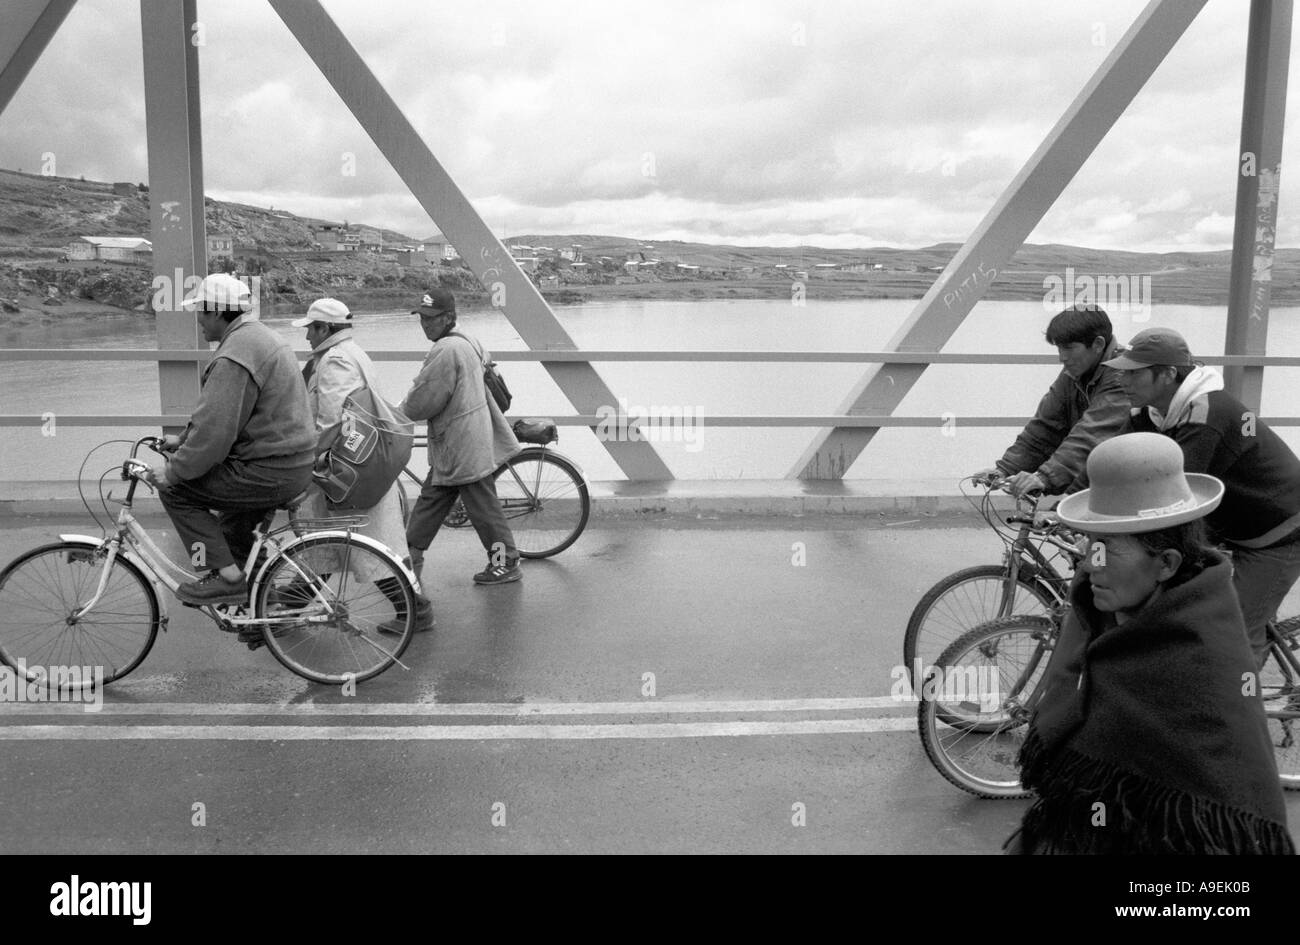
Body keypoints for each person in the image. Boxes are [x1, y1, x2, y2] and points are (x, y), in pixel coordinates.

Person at [1007, 432, 1292, 855]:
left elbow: (1226, 810)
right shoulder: (1094, 613)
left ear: (1166, 564)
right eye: (1090, 543)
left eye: (1108, 548)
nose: (1090, 564)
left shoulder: (1202, 655)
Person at [1103, 327, 1300, 666]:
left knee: (1234, 632)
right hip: (1234, 522)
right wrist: (1063, 500)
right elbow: (1111, 461)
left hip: (1278, 530)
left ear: (1166, 374)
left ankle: (1239, 713)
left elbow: (1175, 492)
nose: (1123, 380)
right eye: (1122, 371)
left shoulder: (1207, 414)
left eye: (1133, 373)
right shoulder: (1149, 414)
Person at [148, 273, 316, 605]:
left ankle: (227, 580)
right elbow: (231, 415)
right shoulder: (258, 337)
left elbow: (215, 432)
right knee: (233, 534)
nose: (198, 319)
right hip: (290, 463)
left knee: (175, 490)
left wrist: (173, 469)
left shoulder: (233, 356)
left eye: (201, 311)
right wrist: (184, 440)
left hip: (268, 470)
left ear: (216, 311)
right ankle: (260, 609)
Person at [293, 298, 434, 632]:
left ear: (325, 328)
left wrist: (309, 460)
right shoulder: (353, 352)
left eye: (311, 329)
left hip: (347, 471)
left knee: (364, 547)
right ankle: (285, 604)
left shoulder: (335, 360)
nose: (307, 336)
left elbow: (331, 420)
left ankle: (417, 610)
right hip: (365, 463)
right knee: (341, 542)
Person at [400, 289, 523, 585]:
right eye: (423, 318)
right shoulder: (468, 340)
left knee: (483, 510)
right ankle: (407, 560)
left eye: (432, 318)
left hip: (460, 444)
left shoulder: (445, 350)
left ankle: (505, 562)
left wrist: (398, 412)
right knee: (432, 501)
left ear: (449, 318)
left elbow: (424, 401)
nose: (426, 325)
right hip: (466, 438)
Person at [974, 305, 1129, 496]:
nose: (1062, 357)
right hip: (1100, 476)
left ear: (1098, 344)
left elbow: (1091, 435)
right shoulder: (1076, 371)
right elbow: (1044, 427)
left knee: (1063, 518)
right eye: (1059, 348)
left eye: (1069, 348)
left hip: (1132, 479)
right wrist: (1005, 470)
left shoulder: (1123, 375)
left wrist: (1044, 477)